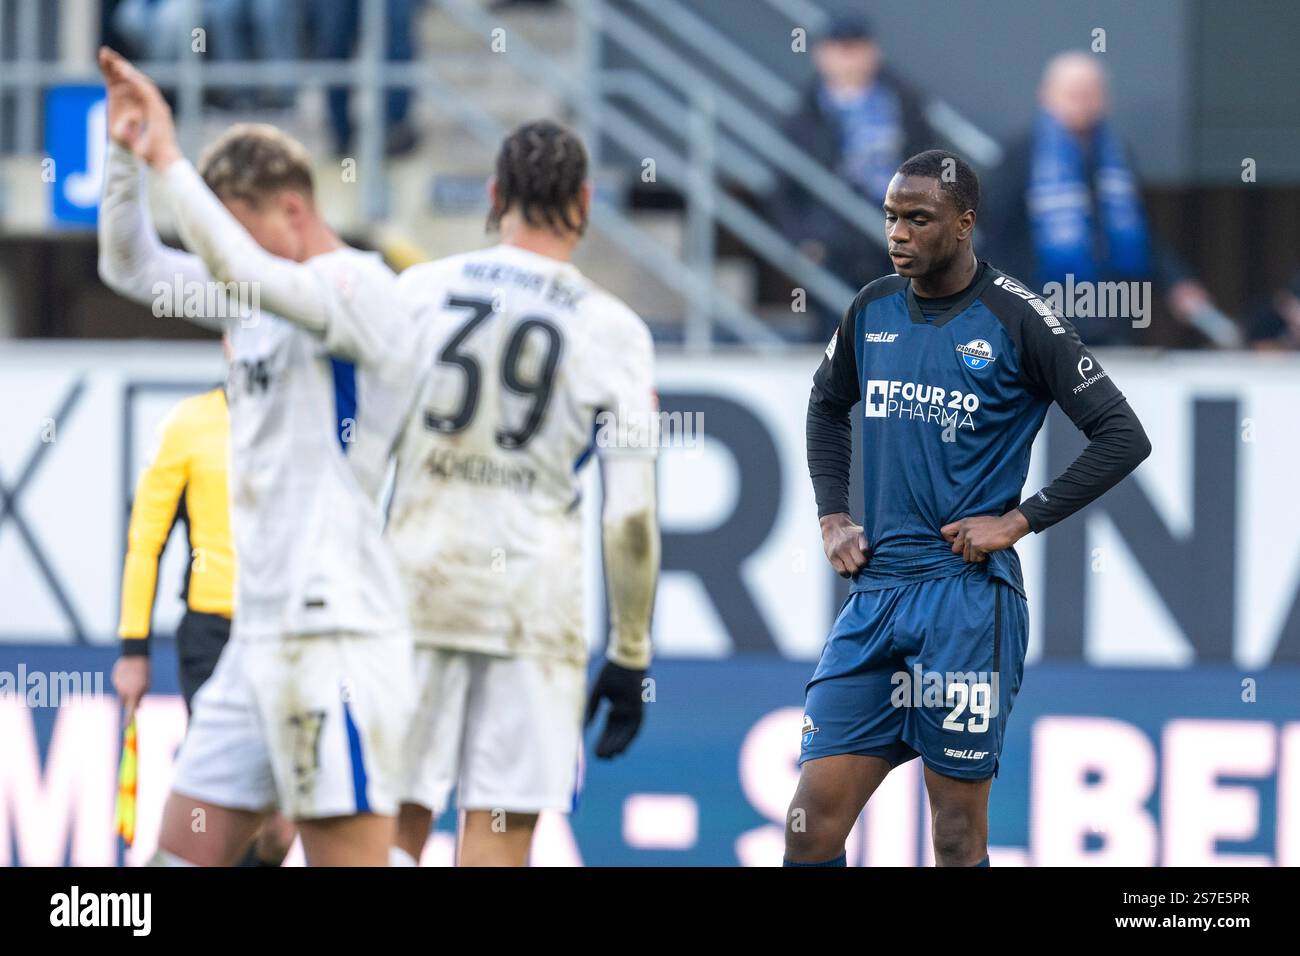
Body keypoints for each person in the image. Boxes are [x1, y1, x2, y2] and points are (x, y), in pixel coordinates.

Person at [785, 149, 1151, 867]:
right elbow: (826, 407)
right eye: (891, 217)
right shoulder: (872, 308)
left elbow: (1122, 436)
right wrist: (833, 515)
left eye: (918, 219)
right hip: (877, 596)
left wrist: (1020, 520)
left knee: (954, 837)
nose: (898, 234)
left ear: (965, 224)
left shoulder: (1019, 318)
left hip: (965, 602)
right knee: (810, 824)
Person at [97, 46, 415, 867]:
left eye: (235, 228)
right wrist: (128, 154)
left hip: (335, 638)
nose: (219, 257)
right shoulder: (254, 291)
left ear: (291, 210)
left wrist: (171, 157)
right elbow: (128, 264)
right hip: (254, 640)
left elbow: (238, 268)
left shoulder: (361, 289)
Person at [387, 120, 661, 866]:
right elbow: (630, 513)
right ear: (584, 199)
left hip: (414, 585)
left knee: (391, 822)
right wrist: (631, 652)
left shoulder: (417, 292)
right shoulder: (614, 329)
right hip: (531, 608)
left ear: (494, 195)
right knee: (501, 833)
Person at [111, 384, 295, 866]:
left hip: (293, 634)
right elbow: (145, 542)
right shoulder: (189, 423)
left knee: (281, 826)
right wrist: (133, 651)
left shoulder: (309, 415)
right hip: (213, 635)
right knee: (228, 794)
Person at [983, 51, 1238, 347]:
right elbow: (995, 239)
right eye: (1072, 94)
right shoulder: (1021, 156)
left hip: (1113, 316)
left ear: (1105, 99)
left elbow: (1143, 236)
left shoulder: (1117, 156)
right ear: (1046, 97)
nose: (1082, 103)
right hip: (1042, 318)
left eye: (1090, 94)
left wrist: (1178, 284)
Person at [767, 14, 934, 333]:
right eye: (840, 49)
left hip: (893, 231)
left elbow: (928, 162)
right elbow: (784, 185)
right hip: (833, 243)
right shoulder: (805, 114)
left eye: (856, 49)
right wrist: (804, 238)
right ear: (822, 55)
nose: (849, 60)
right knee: (837, 331)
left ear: (872, 52)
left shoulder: (904, 102)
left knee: (898, 326)